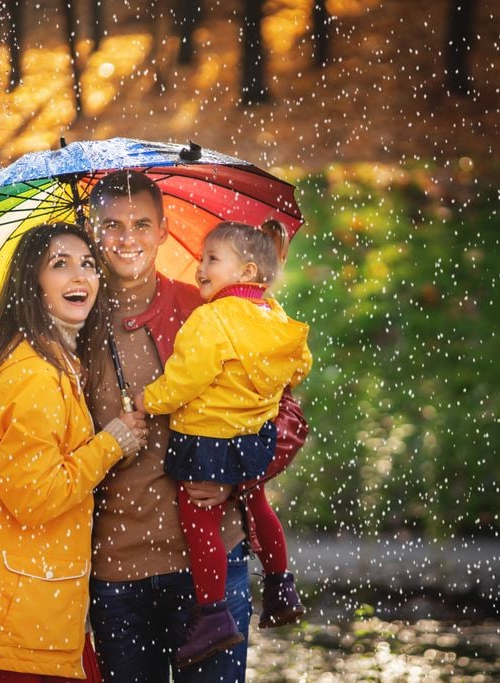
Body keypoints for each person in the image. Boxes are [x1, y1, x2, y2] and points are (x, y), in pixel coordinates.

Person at [84, 171, 308, 683]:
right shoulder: (74, 320)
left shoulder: (214, 308)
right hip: (117, 573)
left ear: (164, 230)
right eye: (112, 225)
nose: (127, 238)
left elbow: (284, 415)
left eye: (142, 223)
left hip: (211, 569)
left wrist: (238, 476)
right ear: (93, 230)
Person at [0, 223, 147, 682]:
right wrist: (111, 443)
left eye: (88, 264)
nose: (80, 276)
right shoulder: (35, 377)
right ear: (32, 285)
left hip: (28, 612)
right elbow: (33, 497)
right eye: (59, 265)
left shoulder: (45, 362)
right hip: (20, 622)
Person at [134, 219, 312, 667]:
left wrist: (149, 400)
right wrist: (259, 394)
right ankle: (279, 584)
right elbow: (299, 365)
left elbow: (185, 380)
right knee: (259, 504)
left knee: (199, 523)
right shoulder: (276, 316)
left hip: (207, 438)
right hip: (255, 436)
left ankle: (212, 614)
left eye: (212, 259)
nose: (201, 267)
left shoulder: (210, 319)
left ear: (247, 271)